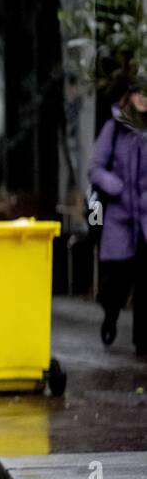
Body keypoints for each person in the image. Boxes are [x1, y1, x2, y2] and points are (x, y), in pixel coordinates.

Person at [89, 79, 147, 355]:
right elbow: (96, 168)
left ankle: (142, 341)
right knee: (117, 283)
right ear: (130, 95)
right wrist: (116, 186)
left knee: (144, 281)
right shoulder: (114, 129)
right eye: (140, 93)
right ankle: (110, 315)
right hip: (119, 217)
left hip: (146, 219)